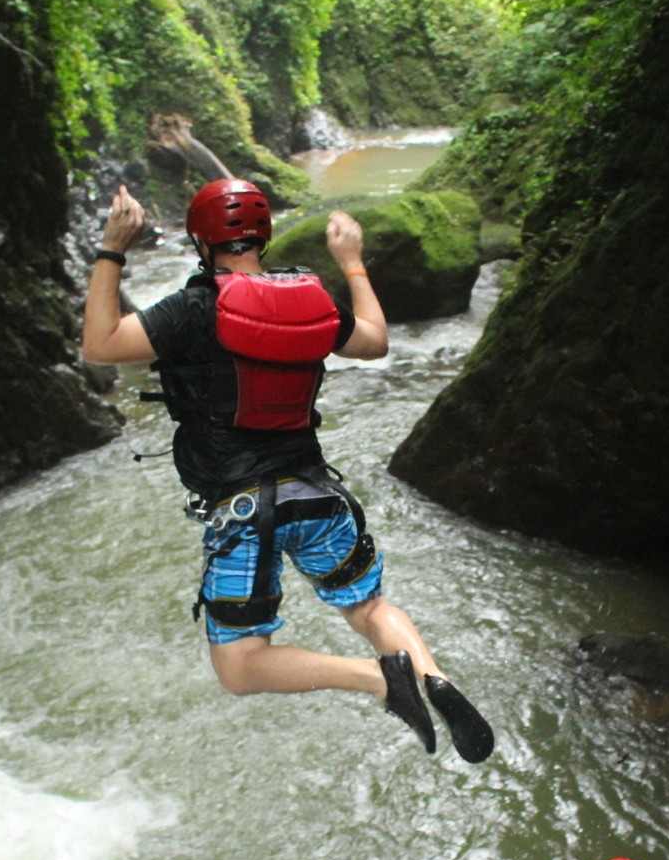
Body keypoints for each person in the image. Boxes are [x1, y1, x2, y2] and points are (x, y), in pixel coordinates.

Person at [83, 178, 493, 762]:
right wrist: (350, 262)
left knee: (241, 667)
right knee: (370, 608)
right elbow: (375, 342)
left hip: (246, 511)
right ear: (264, 236)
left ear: (202, 241)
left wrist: (112, 247)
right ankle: (434, 677)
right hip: (319, 497)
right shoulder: (311, 300)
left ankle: (383, 681)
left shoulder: (193, 309)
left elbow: (100, 344)